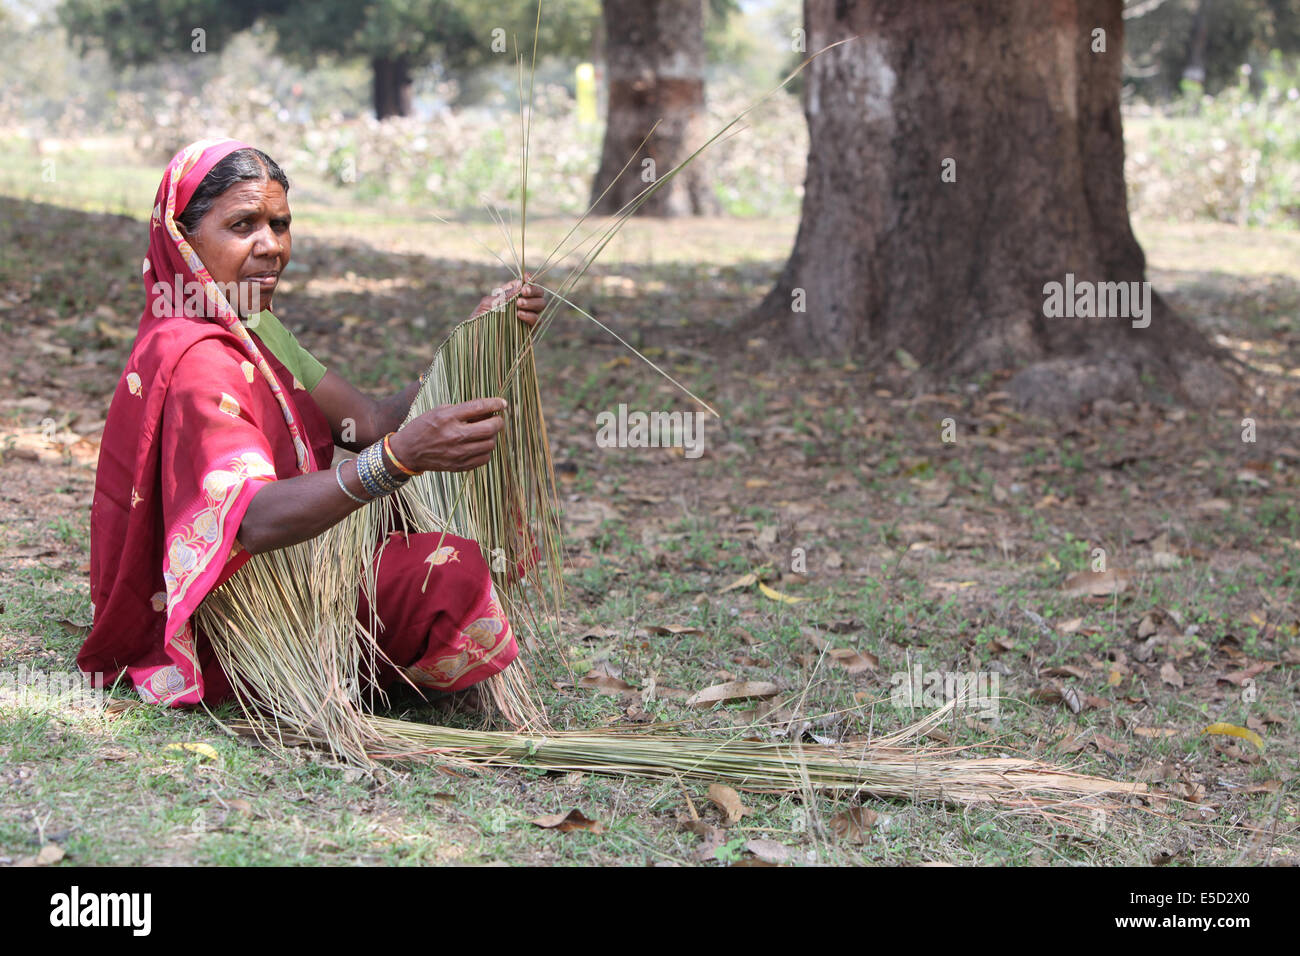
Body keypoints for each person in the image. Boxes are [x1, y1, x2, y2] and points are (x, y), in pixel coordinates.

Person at [78, 137, 545, 708]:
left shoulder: (254, 325)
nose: (270, 246)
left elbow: (369, 422)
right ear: (184, 238)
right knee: (445, 575)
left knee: (416, 507)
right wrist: (399, 459)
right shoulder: (196, 358)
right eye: (243, 224)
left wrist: (475, 340)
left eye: (280, 224)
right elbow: (250, 521)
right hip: (230, 619)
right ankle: (340, 665)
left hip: (281, 563)